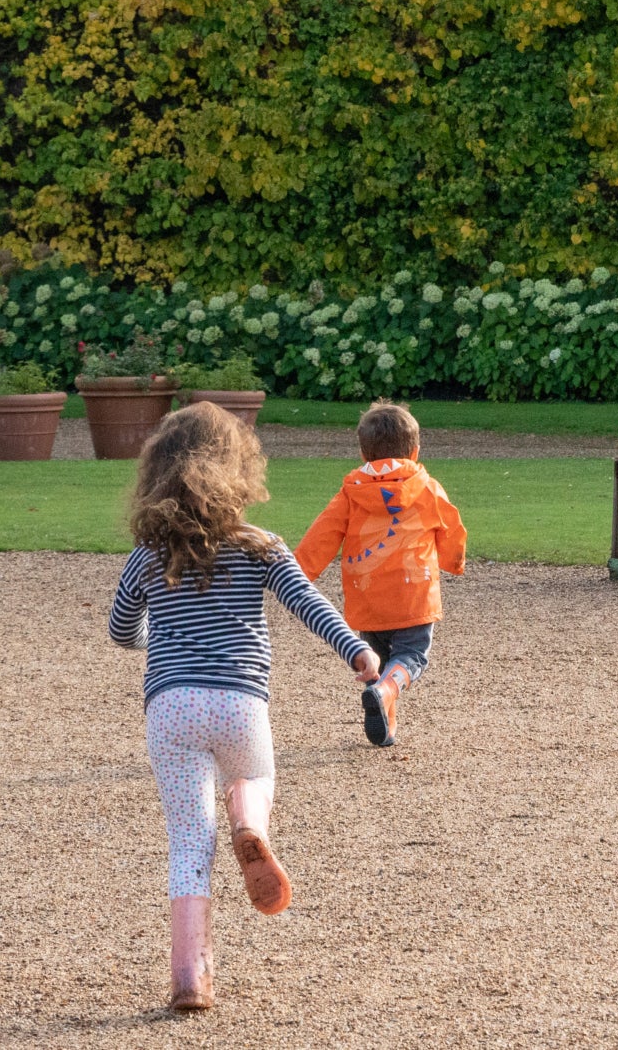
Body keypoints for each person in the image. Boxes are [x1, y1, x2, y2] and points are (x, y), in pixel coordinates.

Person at [108, 404, 376, 1013]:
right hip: (239, 703)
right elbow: (309, 605)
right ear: (240, 471)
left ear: (158, 473)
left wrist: (158, 641)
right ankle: (249, 823)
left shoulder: (148, 553)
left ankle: (190, 979)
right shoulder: (261, 546)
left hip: (171, 707)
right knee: (252, 775)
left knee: (187, 843)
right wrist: (355, 651)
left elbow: (121, 627)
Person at [295, 400, 468, 750]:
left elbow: (322, 535)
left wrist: (298, 574)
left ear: (363, 452)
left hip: (368, 595)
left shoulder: (351, 493)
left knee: (377, 662)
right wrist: (454, 562)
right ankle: (385, 692)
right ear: (415, 450)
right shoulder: (427, 488)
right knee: (410, 658)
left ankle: (385, 723)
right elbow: (451, 530)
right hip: (413, 594)